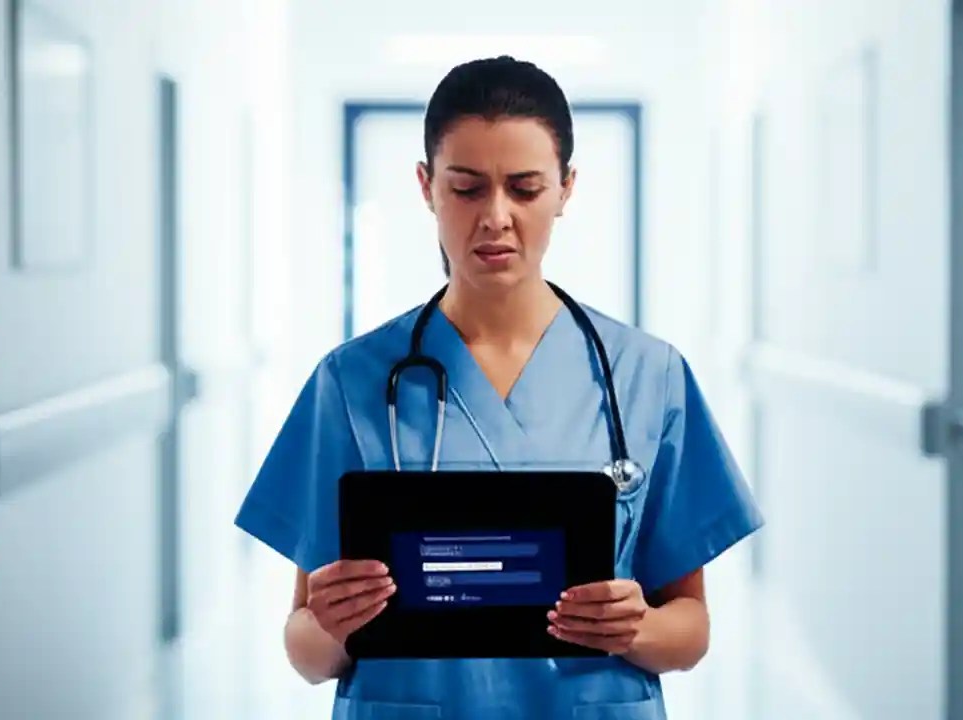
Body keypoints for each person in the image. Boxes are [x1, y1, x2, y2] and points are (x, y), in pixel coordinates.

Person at [234, 55, 763, 720]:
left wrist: (639, 628)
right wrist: (334, 624)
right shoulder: (351, 382)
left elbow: (690, 631)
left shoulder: (648, 375)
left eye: (525, 187)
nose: (496, 216)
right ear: (426, 187)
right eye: (467, 188)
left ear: (566, 188)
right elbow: (305, 649)